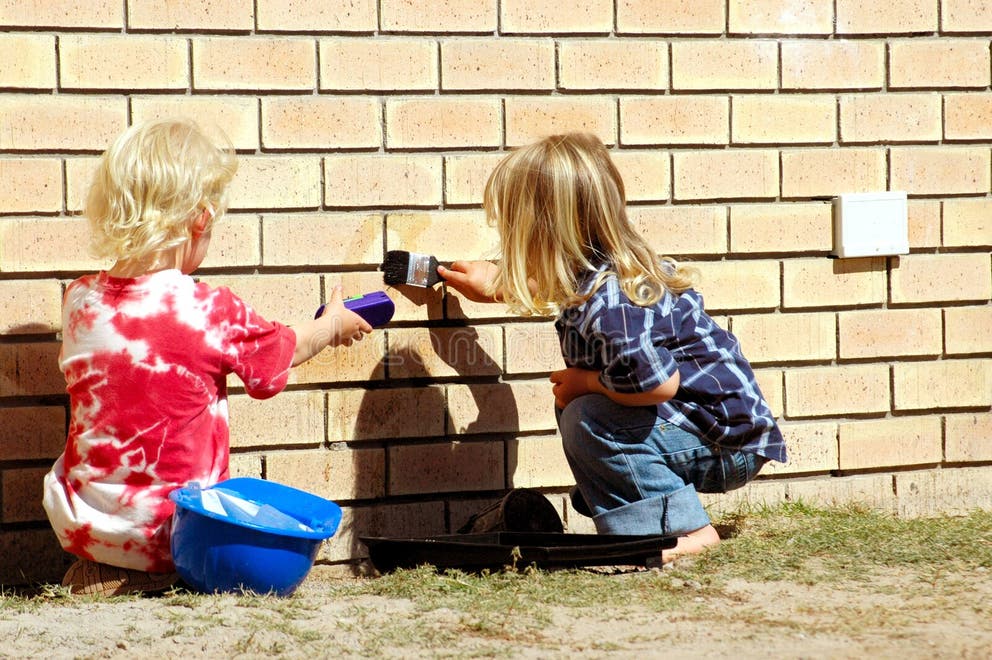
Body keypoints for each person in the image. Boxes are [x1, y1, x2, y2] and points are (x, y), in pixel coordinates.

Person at [42, 119, 373, 596]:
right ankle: (156, 574)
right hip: (172, 535)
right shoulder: (207, 310)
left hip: (84, 528)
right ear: (201, 218)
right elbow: (278, 355)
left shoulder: (80, 300)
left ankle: (100, 573)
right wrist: (332, 325)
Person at [439, 133, 786, 563]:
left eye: (511, 225)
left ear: (545, 229)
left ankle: (681, 533)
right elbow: (559, 287)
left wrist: (587, 382)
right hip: (708, 428)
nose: (507, 236)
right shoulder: (599, 276)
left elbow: (658, 385)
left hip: (725, 444)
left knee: (588, 416)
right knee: (582, 411)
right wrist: (497, 285)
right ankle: (636, 511)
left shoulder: (614, 301)